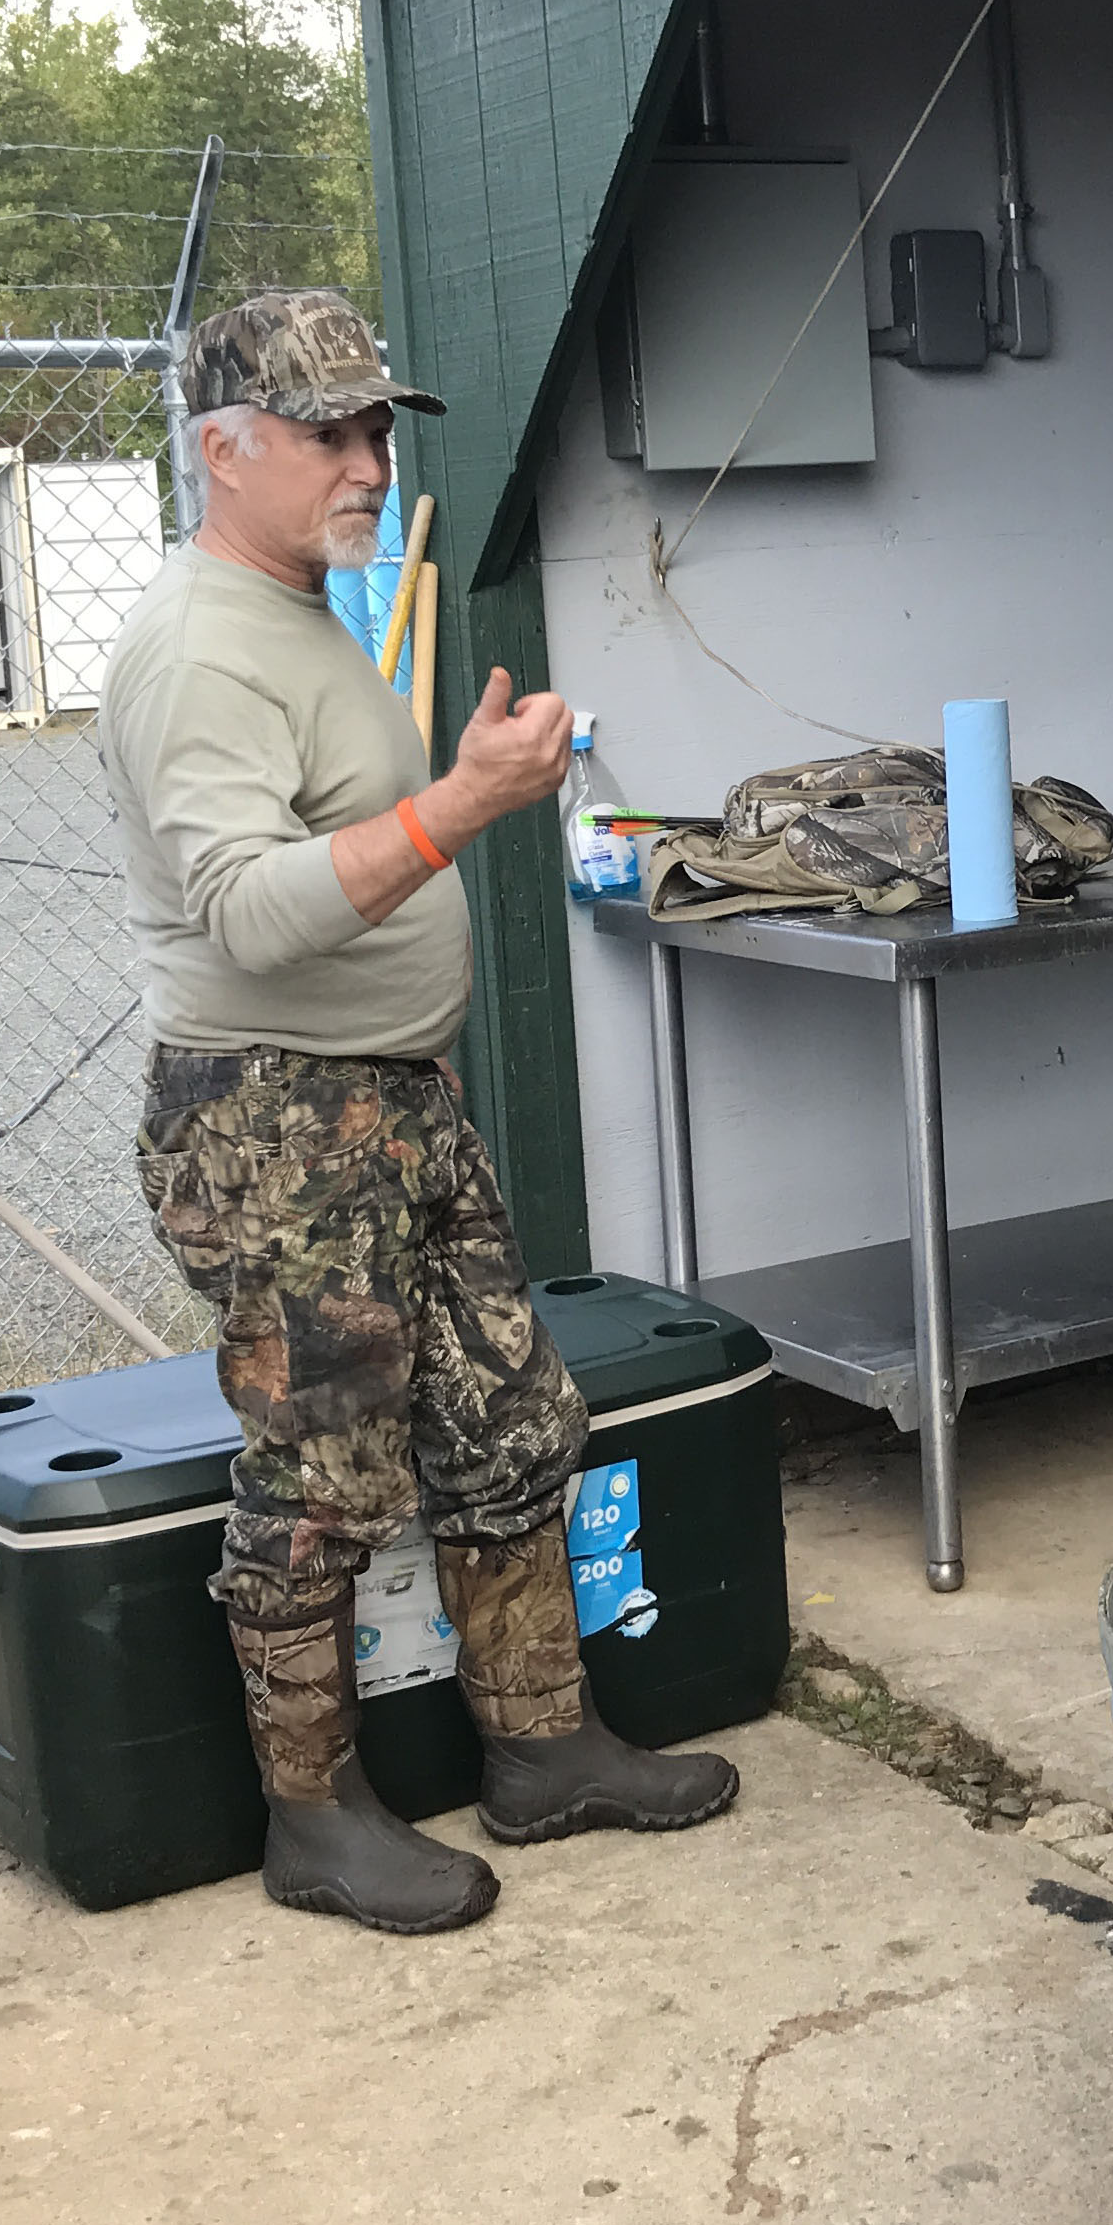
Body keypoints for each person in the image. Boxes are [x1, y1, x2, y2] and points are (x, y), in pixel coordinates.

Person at [102, 288, 737, 1937]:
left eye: (380, 426)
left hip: (382, 1105)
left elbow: (340, 860)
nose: (369, 459)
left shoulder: (300, 606)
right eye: (328, 430)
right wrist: (464, 804)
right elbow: (249, 913)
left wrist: (419, 1018)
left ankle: (543, 1751)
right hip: (273, 1127)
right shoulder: (194, 648)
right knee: (323, 1474)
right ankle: (313, 1817)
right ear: (221, 447)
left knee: (509, 1415)